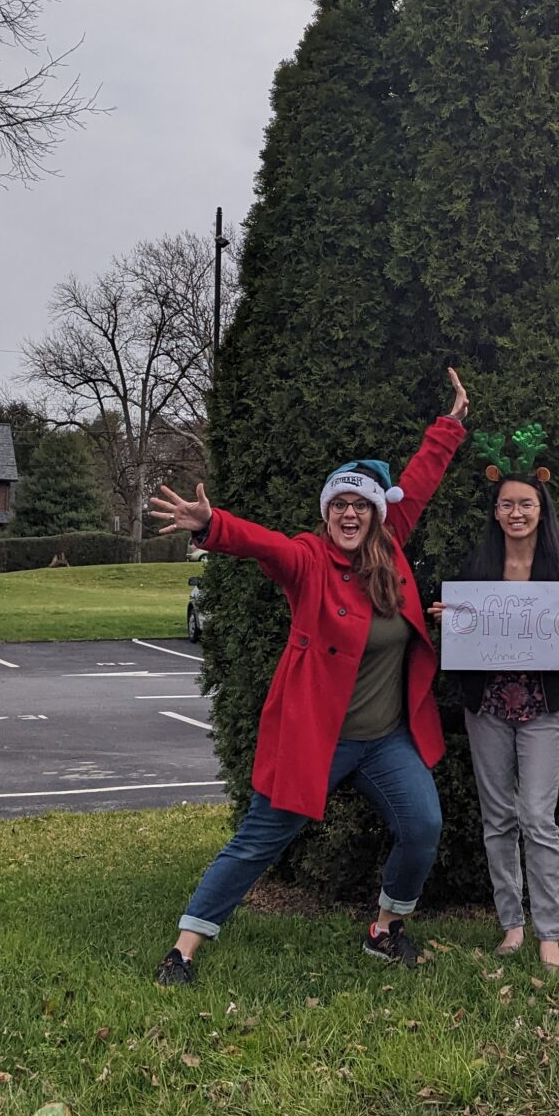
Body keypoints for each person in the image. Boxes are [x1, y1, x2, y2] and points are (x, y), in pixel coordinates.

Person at [148, 368, 470, 985]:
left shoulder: (392, 549)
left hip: (384, 739)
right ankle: (184, 949)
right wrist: (211, 526)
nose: (350, 514)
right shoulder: (309, 561)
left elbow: (418, 485)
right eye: (339, 505)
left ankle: (385, 929)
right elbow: (265, 545)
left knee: (424, 824)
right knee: (258, 842)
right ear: (327, 514)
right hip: (318, 740)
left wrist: (450, 425)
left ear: (376, 515)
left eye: (360, 505)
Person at [430, 425, 559, 971]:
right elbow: (463, 630)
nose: (516, 513)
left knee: (537, 817)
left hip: (543, 706)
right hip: (489, 706)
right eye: (507, 505)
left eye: (526, 504)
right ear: (495, 511)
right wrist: (447, 620)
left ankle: (550, 931)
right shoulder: (476, 566)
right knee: (497, 816)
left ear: (541, 509)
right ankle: (512, 924)